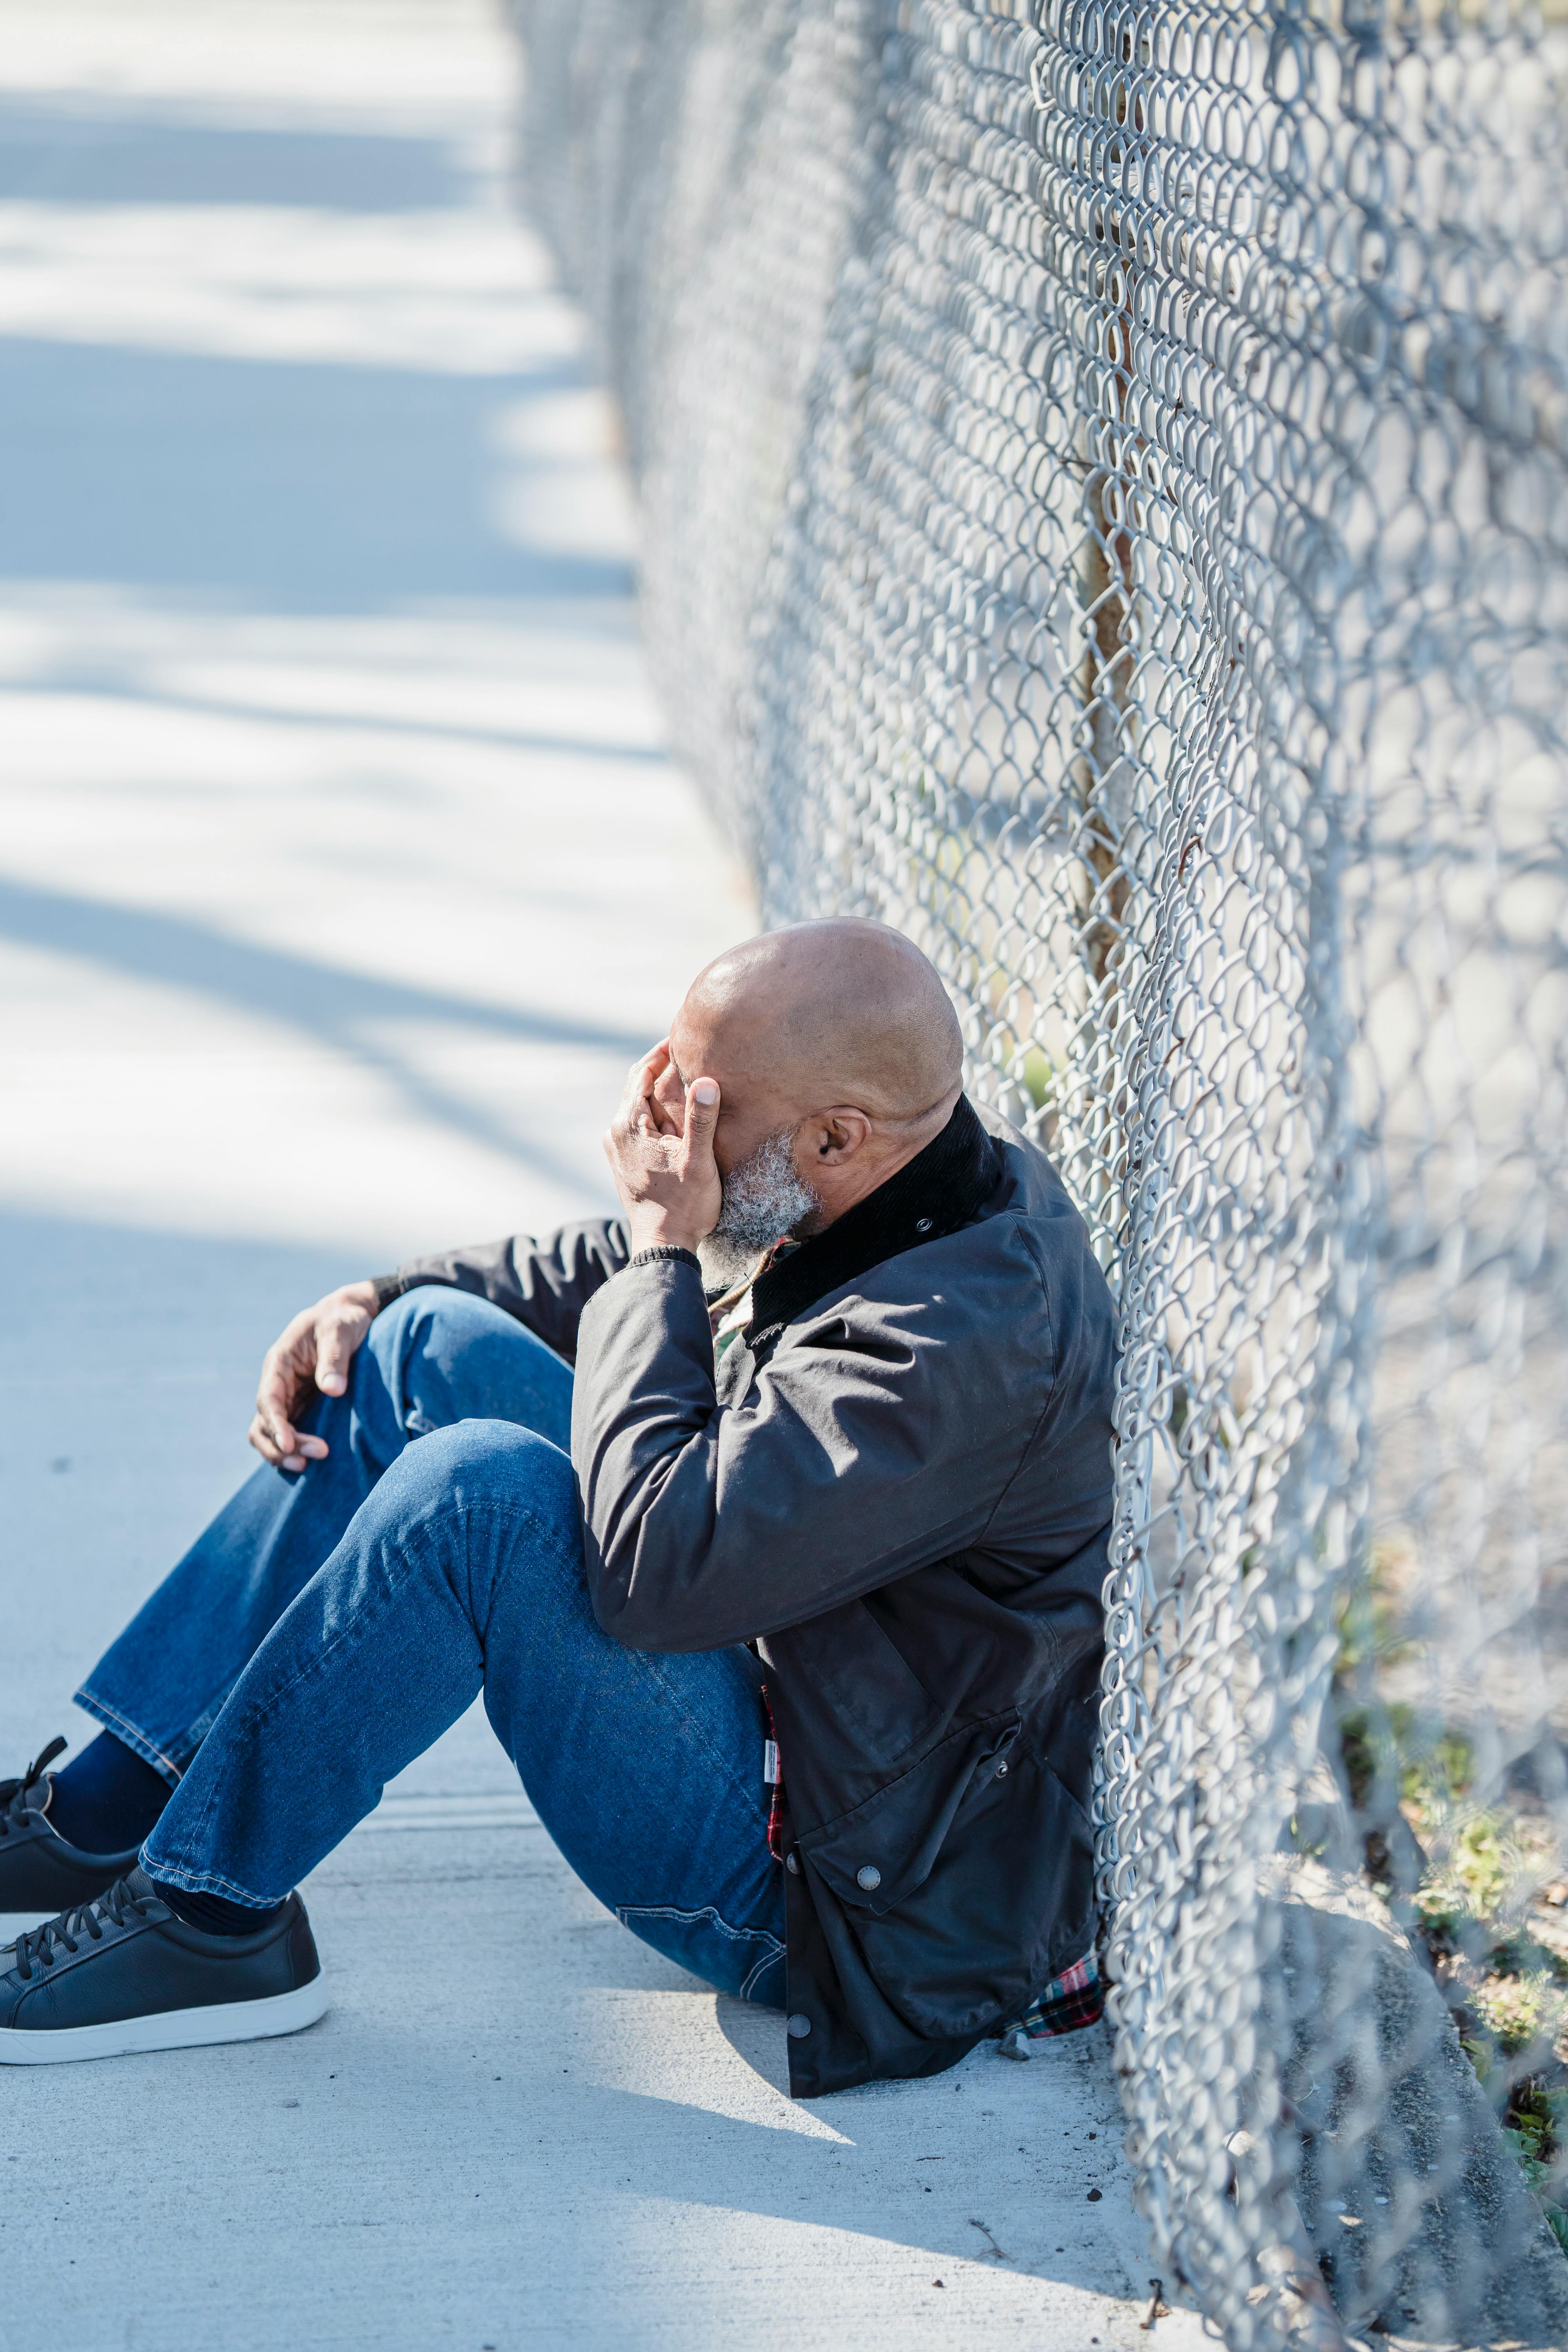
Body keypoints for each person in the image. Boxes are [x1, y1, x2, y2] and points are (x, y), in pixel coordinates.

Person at [0, 919, 1115, 2094]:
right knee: (413, 1344)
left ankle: (209, 1919)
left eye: (699, 1113)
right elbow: (674, 1255)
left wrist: (660, 1247)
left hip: (844, 1893)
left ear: (834, 1138)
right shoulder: (898, 1179)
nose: (653, 1135)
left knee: (484, 1502)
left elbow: (649, 1573)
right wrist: (387, 1290)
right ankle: (104, 1814)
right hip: (795, 1680)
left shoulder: (953, 1349)